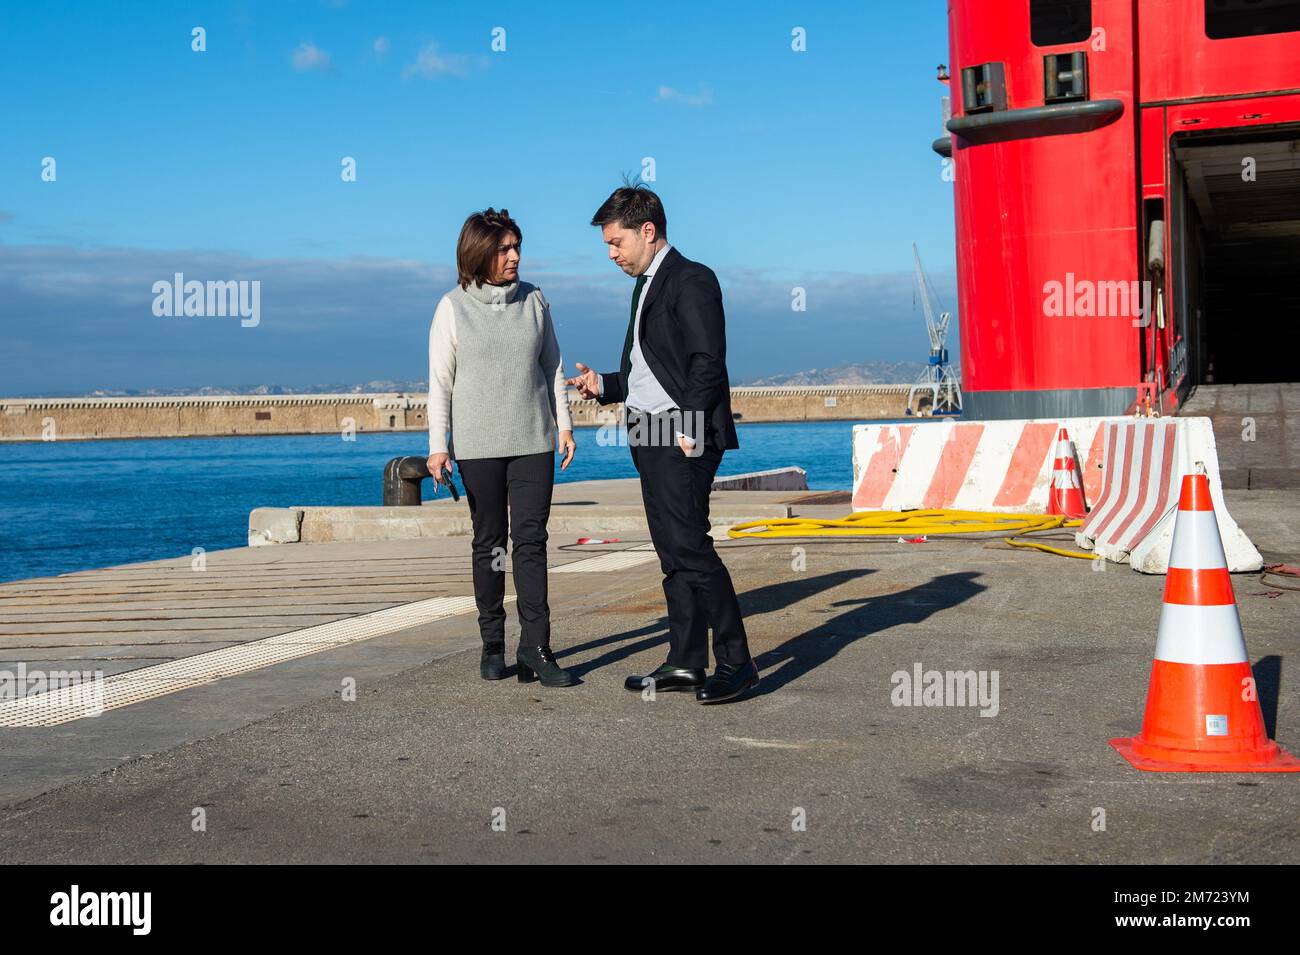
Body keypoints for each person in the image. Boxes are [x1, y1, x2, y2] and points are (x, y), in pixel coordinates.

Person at [567, 186, 759, 704]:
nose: (611, 254)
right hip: (647, 429)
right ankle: (685, 660)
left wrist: (689, 427)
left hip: (681, 431)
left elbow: (705, 361)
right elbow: (649, 369)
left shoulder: (692, 279)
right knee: (671, 550)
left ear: (647, 231)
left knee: (692, 547)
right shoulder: (647, 283)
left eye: (616, 242)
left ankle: (738, 663)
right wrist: (604, 386)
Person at [427, 208, 578, 687]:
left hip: (534, 438)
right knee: (489, 542)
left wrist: (565, 427)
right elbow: (439, 384)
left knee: (531, 542)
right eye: (503, 249)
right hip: (478, 445)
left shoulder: (536, 301)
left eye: (517, 247)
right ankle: (492, 643)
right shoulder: (452, 307)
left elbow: (552, 367)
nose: (514, 257)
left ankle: (535, 646)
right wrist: (437, 446)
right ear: (479, 254)